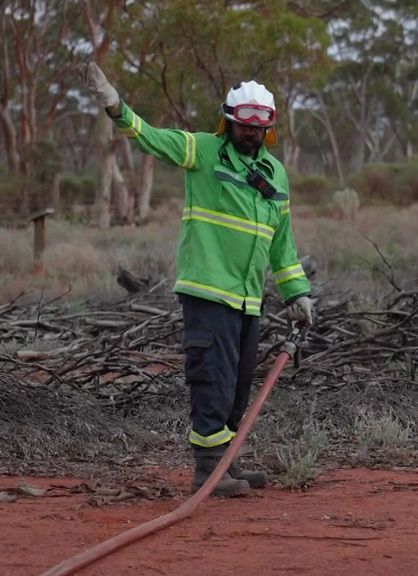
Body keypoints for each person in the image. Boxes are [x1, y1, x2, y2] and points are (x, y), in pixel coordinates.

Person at [80, 62, 315, 497]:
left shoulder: (275, 174)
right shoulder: (202, 151)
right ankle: (207, 470)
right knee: (213, 381)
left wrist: (296, 293)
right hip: (209, 293)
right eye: (243, 126)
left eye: (257, 128)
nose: (250, 135)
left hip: (248, 300)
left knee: (239, 386)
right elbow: (151, 138)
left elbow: (282, 240)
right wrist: (115, 107)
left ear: (269, 128)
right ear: (228, 122)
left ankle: (228, 461)